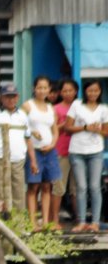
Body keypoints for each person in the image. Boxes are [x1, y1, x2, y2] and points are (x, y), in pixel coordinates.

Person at [65, 80, 108, 232]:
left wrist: (97, 130)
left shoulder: (103, 108)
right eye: (90, 90)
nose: (93, 94)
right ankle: (81, 221)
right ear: (85, 91)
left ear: (100, 92)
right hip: (77, 151)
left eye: (96, 91)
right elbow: (67, 127)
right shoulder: (77, 104)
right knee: (81, 187)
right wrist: (84, 127)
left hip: (96, 151)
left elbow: (106, 132)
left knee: (95, 186)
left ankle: (95, 222)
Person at [23, 76, 61, 230]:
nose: (42, 90)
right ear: (34, 88)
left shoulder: (51, 108)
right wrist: (32, 132)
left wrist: (52, 144)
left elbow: (55, 130)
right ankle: (32, 221)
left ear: (49, 89)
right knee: (33, 187)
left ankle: (45, 221)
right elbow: (20, 124)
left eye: (45, 88)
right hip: (33, 151)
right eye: (39, 87)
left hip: (49, 151)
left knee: (47, 187)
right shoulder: (28, 106)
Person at [0, 83, 30, 212]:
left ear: (18, 97)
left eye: (13, 96)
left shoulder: (22, 114)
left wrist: (32, 160)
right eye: (7, 97)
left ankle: (18, 224)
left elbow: (28, 137)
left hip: (18, 158)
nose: (10, 100)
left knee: (18, 192)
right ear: (1, 98)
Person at [53, 78, 78, 222]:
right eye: (64, 90)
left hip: (79, 151)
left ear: (76, 91)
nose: (68, 93)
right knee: (59, 186)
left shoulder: (81, 106)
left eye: (70, 90)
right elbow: (53, 129)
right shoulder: (56, 108)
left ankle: (78, 217)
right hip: (61, 151)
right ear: (60, 92)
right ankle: (55, 219)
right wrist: (66, 124)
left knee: (77, 187)